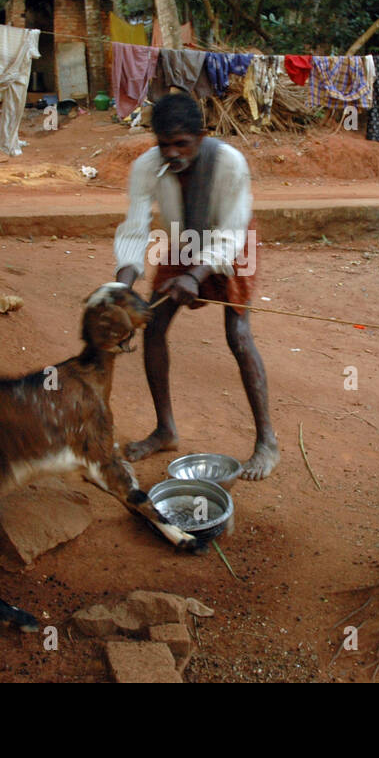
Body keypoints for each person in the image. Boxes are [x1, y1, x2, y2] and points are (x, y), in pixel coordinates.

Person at [113, 92, 279, 480]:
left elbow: (232, 232)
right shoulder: (145, 168)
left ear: (201, 136)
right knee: (152, 325)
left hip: (233, 242)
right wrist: (122, 289)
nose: (171, 152)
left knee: (237, 334)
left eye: (181, 143)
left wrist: (196, 276)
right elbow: (135, 229)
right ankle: (166, 430)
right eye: (164, 144)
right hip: (185, 238)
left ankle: (267, 441)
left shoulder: (230, 164)